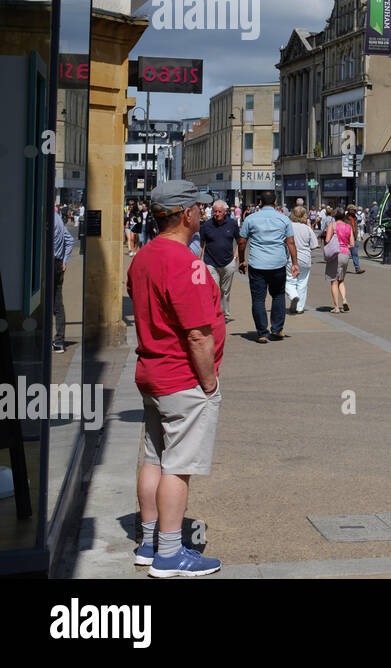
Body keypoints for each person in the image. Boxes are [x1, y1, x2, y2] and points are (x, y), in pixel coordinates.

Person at [126, 180, 223, 576]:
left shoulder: (143, 257)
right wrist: (210, 382)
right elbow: (197, 333)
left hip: (151, 372)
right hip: (181, 377)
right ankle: (169, 554)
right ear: (185, 214)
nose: (201, 213)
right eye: (198, 208)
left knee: (154, 457)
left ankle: (148, 544)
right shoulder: (186, 263)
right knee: (178, 467)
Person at [237, 190, 299, 343]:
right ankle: (277, 330)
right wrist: (295, 263)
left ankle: (262, 333)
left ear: (260, 203)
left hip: (257, 264)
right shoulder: (284, 219)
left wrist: (242, 260)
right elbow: (290, 242)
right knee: (278, 296)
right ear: (276, 203)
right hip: (278, 263)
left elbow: (242, 242)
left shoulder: (250, 219)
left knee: (258, 299)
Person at [199, 201, 239, 323]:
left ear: (225, 212)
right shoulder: (206, 226)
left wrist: (236, 257)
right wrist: (197, 260)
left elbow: (240, 241)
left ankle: (225, 314)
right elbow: (201, 244)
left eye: (219, 211)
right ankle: (215, 314)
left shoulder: (232, 224)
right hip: (210, 262)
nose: (217, 214)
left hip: (228, 263)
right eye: (214, 211)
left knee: (225, 290)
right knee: (213, 290)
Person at [52, 206, 74, 353]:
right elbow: (70, 240)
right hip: (58, 263)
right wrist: (64, 260)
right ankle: (59, 342)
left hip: (49, 263)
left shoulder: (48, 219)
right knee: (58, 304)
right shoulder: (58, 219)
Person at [286, 206, 316, 314]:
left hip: (291, 257)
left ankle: (293, 295)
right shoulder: (307, 228)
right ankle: (299, 307)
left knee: (290, 280)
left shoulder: (288, 226)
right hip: (305, 258)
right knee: (303, 283)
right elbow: (314, 245)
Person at [324, 207, 351, 313]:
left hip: (335, 254)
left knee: (334, 281)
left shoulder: (332, 225)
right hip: (345, 254)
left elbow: (327, 239)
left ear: (334, 216)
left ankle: (336, 307)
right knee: (342, 280)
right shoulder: (348, 226)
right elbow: (352, 243)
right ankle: (344, 300)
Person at [346, 205, 365, 274]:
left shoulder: (355, 218)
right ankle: (341, 268)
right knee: (345, 255)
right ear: (349, 210)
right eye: (353, 210)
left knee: (355, 254)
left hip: (354, 238)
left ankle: (357, 268)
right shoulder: (345, 219)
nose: (354, 211)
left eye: (354, 210)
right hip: (346, 239)